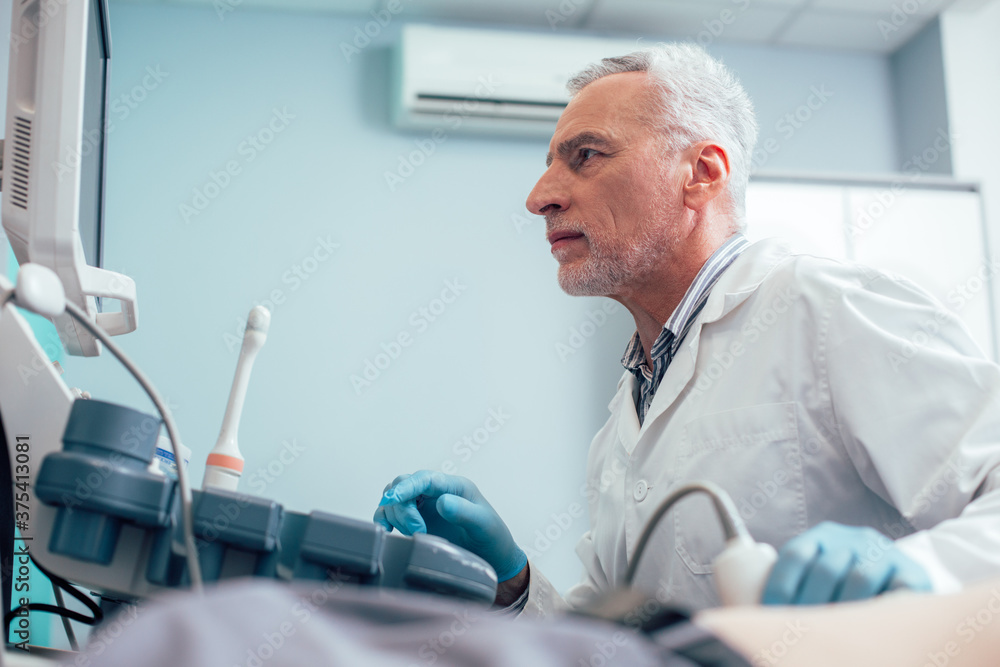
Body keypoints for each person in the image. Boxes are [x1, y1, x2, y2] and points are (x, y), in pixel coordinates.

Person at [374, 43, 1000, 615]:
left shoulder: (830, 309)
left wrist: (911, 569)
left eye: (585, 155)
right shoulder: (628, 411)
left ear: (701, 172)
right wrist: (510, 581)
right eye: (548, 166)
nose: (539, 197)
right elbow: (610, 641)